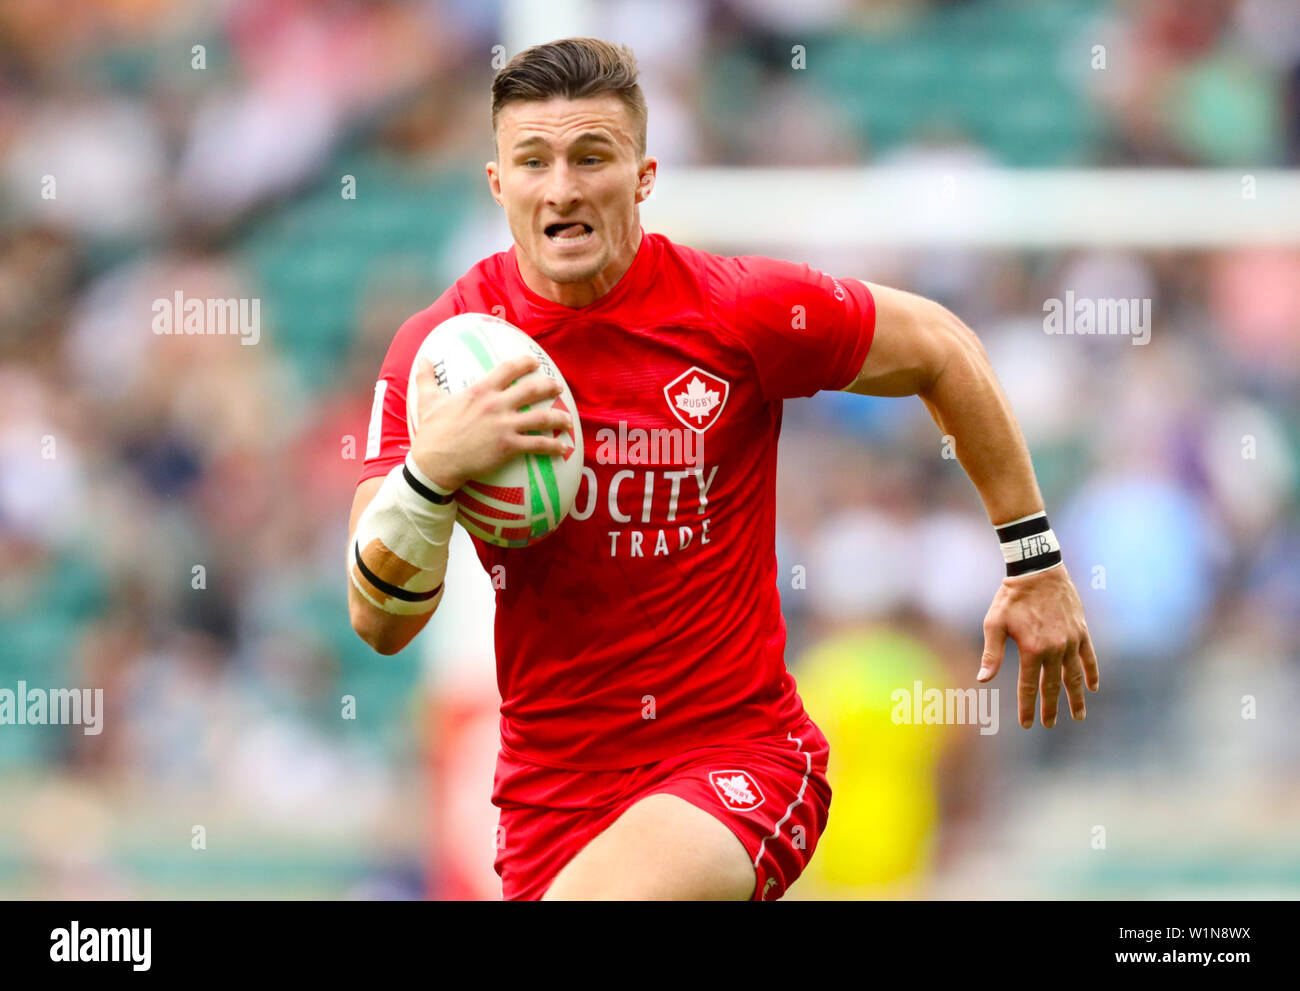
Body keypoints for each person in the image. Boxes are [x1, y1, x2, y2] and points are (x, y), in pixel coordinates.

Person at [345, 37, 1099, 901]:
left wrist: (1033, 556)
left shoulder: (733, 312)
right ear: (497, 182)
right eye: (534, 162)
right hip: (551, 800)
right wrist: (433, 470)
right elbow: (378, 621)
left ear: (643, 176)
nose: (562, 188)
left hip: (737, 761)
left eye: (592, 157)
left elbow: (942, 347)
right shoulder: (441, 360)